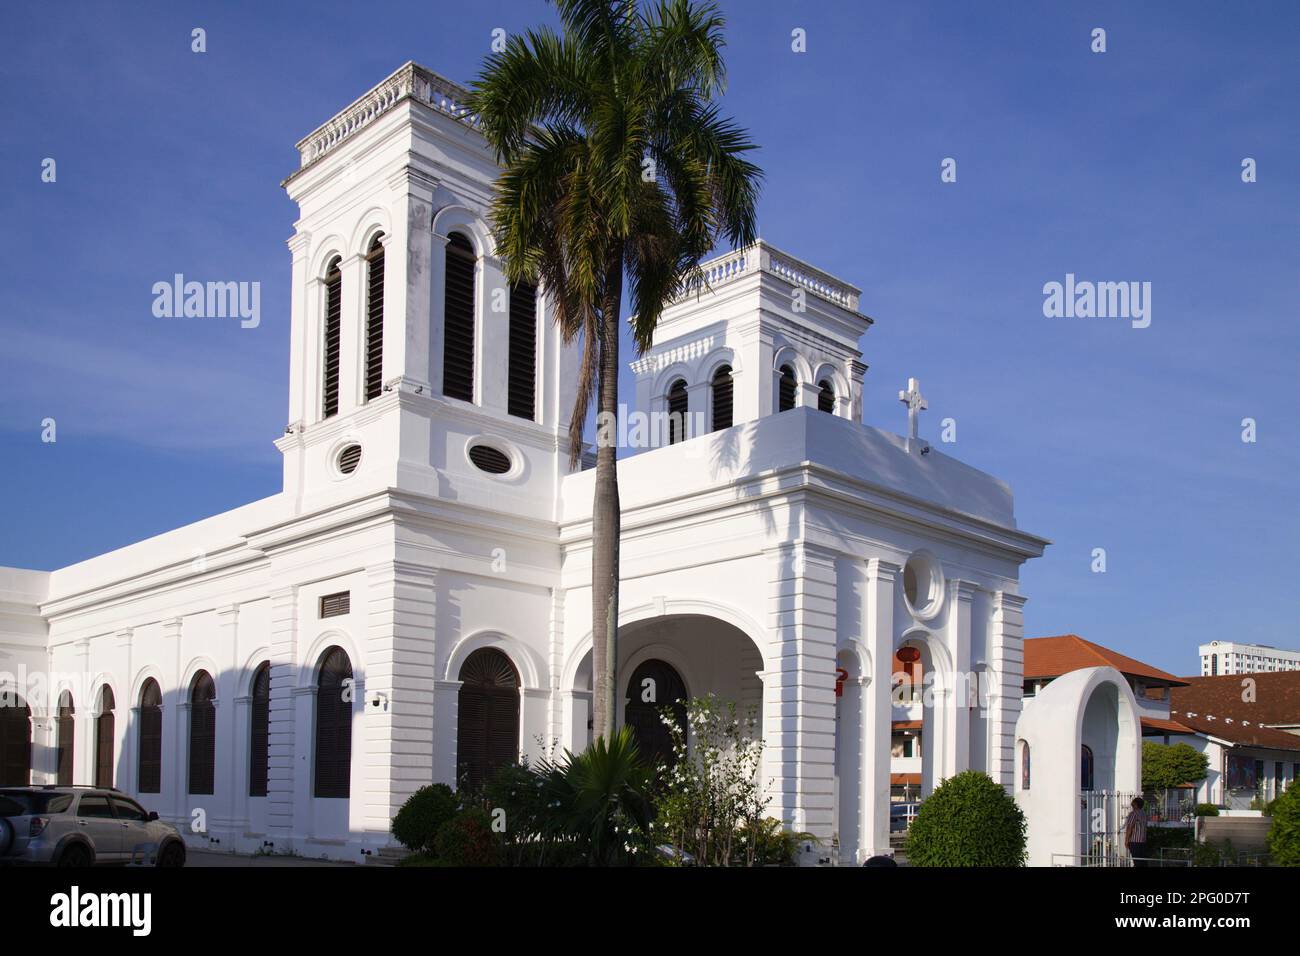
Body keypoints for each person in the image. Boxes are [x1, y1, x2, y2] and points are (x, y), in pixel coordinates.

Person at [1124, 796, 1149, 867]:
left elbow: (1130, 827)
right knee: (1143, 861)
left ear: (1135, 804)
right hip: (1143, 841)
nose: (1131, 803)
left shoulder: (1133, 813)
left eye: (1133, 802)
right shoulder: (1144, 813)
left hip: (1135, 841)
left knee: (1137, 861)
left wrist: (1126, 840)